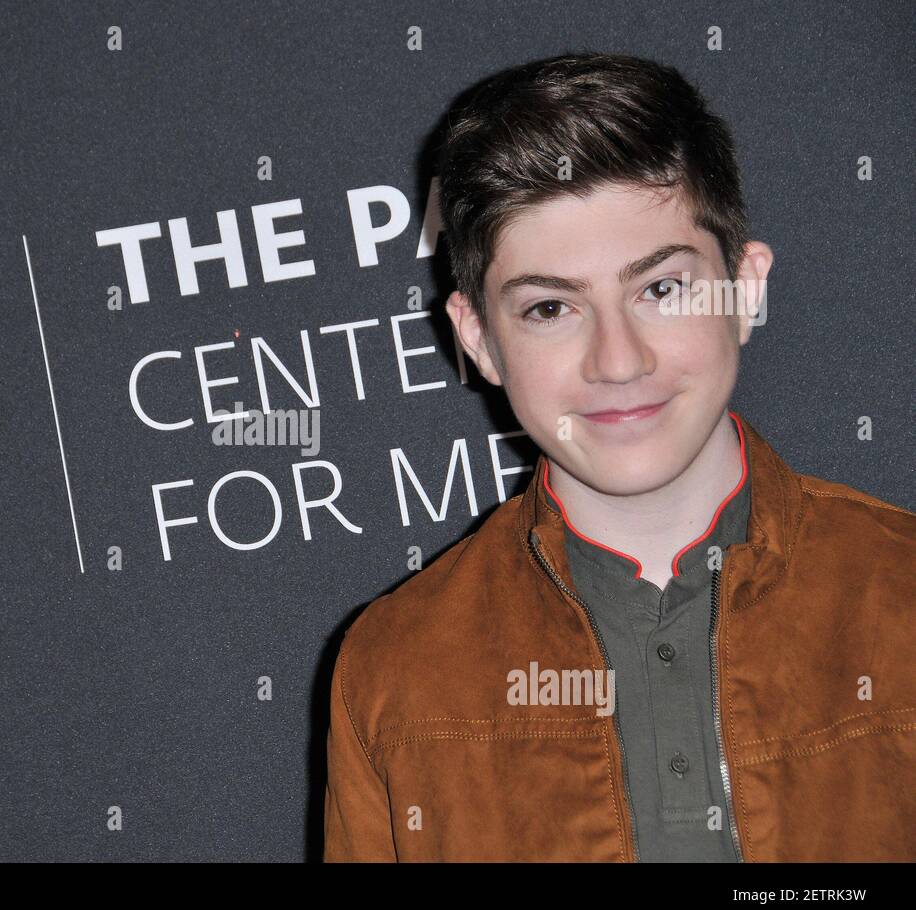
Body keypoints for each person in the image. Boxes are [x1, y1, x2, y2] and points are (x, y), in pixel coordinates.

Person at [323, 52, 916, 862]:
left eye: (660, 289)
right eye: (551, 307)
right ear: (478, 341)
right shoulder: (394, 669)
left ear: (745, 289)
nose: (618, 359)